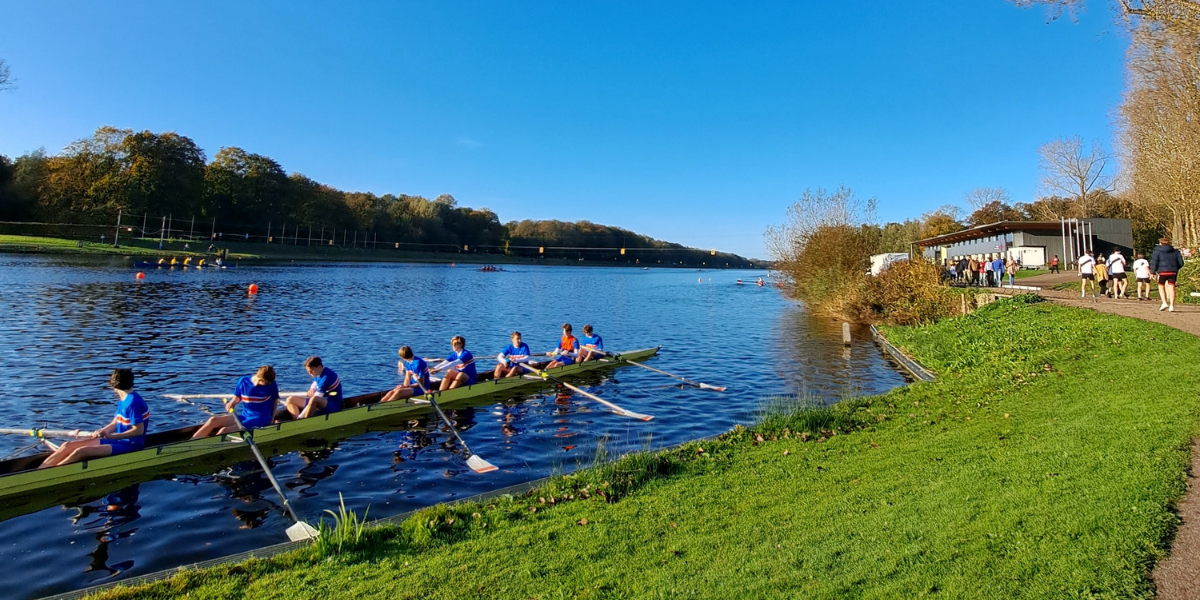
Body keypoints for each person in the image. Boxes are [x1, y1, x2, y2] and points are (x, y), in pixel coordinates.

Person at [39, 369, 150, 468]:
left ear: (114, 385)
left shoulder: (132, 403)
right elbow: (115, 423)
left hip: (131, 446)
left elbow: (138, 431)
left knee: (81, 452)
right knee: (67, 445)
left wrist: (113, 436)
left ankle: (50, 474)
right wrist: (102, 431)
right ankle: (40, 471)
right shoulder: (124, 399)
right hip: (118, 441)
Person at [192, 366, 280, 438]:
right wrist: (232, 403)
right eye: (268, 383)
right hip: (245, 416)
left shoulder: (272, 384)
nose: (270, 384)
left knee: (224, 430)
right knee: (213, 420)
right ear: (261, 379)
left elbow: (275, 401)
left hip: (261, 418)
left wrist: (272, 420)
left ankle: (210, 448)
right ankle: (191, 442)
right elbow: (237, 398)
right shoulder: (243, 381)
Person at [1151, 237, 1185, 312]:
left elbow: (1154, 262)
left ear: (1160, 243)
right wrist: (1175, 268)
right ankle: (1172, 305)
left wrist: (1153, 272)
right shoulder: (1176, 251)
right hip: (1173, 272)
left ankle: (1164, 302)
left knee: (1161, 286)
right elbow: (1181, 263)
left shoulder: (1157, 251)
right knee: (1172, 287)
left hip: (1162, 272)